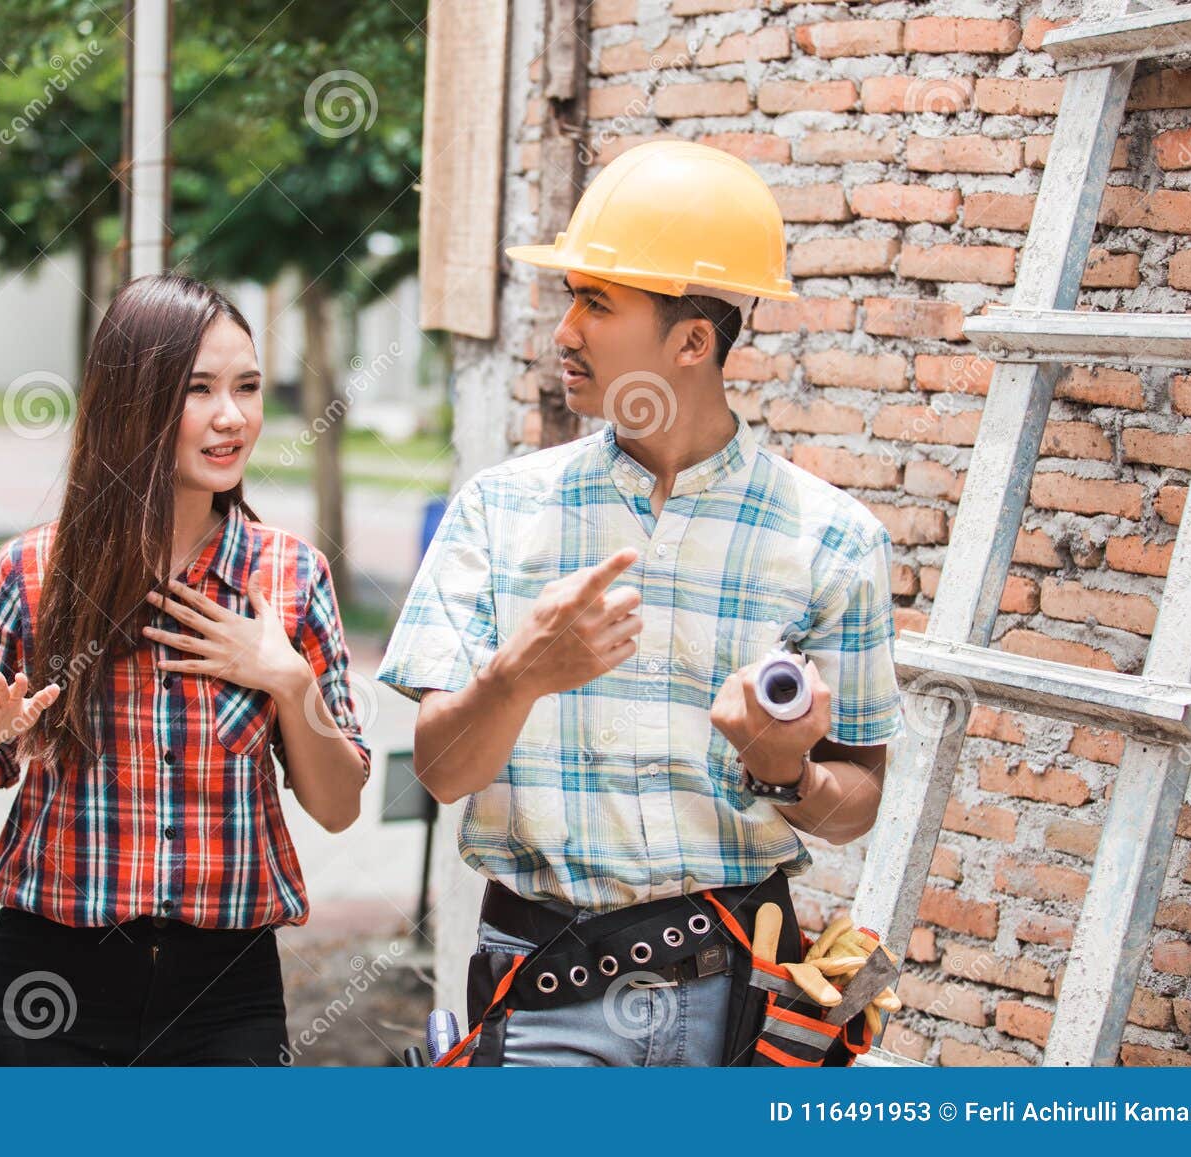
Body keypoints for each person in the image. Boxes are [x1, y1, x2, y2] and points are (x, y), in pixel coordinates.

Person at [377, 140, 905, 1066]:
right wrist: (516, 678)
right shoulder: (500, 511)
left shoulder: (832, 538)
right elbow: (444, 771)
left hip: (741, 998)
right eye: (571, 297)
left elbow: (855, 802)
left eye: (597, 302)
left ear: (692, 341)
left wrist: (786, 770)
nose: (564, 331)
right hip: (545, 994)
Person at [0, 273, 370, 1066]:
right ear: (133, 401)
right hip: (54, 978)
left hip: (226, 988)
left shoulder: (290, 577)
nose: (232, 416)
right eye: (199, 389)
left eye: (247, 387)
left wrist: (288, 681)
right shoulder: (34, 572)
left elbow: (338, 807)